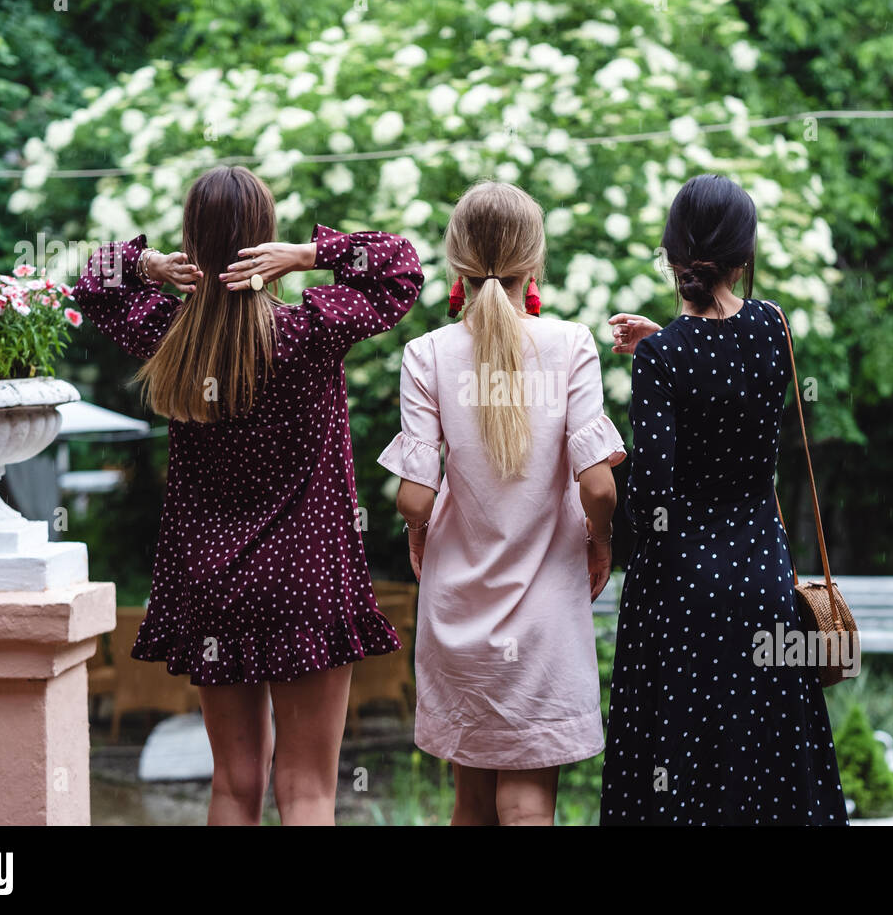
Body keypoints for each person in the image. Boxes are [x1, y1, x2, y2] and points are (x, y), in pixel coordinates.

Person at [73, 165, 423, 825]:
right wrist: (311, 254)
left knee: (234, 784)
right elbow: (399, 265)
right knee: (308, 788)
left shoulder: (169, 336)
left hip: (212, 585)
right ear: (264, 238)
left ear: (192, 242)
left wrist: (148, 265)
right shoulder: (310, 330)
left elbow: (92, 282)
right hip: (304, 580)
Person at [600, 173, 847, 825]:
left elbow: (652, 494)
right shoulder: (772, 327)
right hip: (762, 580)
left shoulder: (663, 362)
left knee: (681, 769)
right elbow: (729, 379)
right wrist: (665, 344)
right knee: (761, 762)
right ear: (743, 254)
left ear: (674, 254)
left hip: (682, 594)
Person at [377, 181, 626, 825]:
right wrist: (599, 539)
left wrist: (418, 533)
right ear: (534, 263)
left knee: (471, 801)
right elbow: (598, 485)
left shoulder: (426, 353)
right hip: (545, 614)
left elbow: (413, 496)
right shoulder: (571, 346)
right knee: (527, 802)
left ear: (457, 262)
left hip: (458, 604)